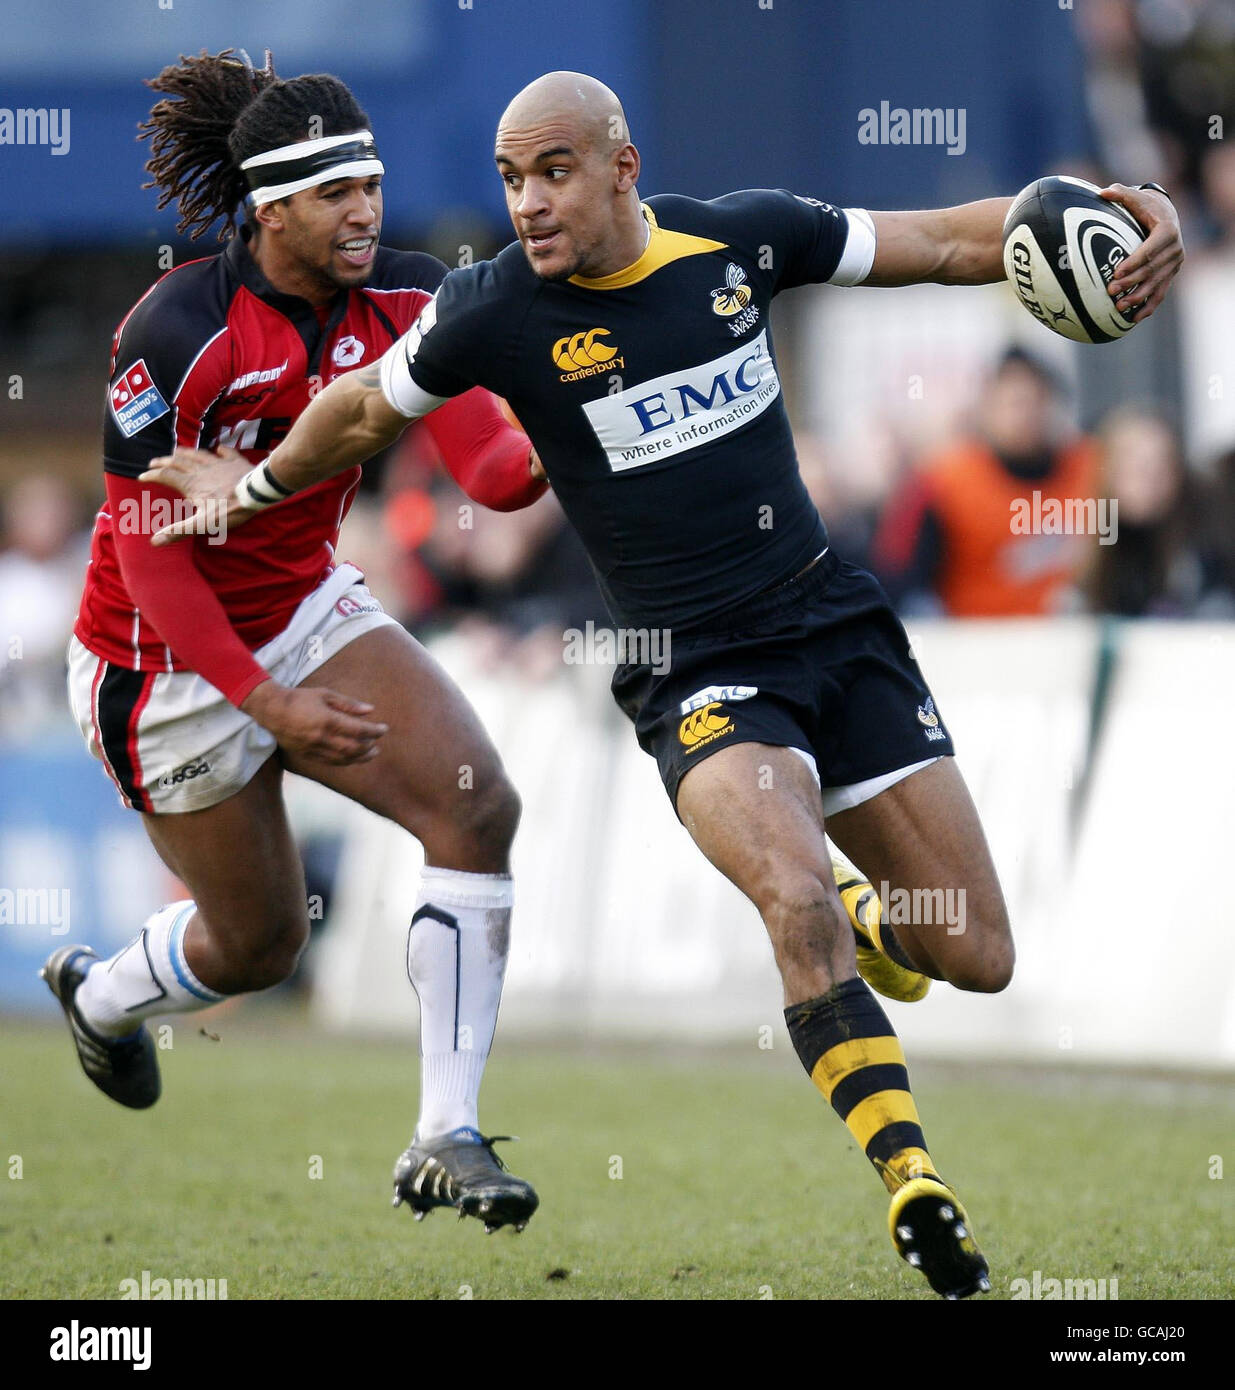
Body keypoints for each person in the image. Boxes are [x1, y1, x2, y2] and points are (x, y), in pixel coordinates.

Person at [147, 71, 1185, 1296]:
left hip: (832, 626)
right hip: (691, 668)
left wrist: (1124, 211)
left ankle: (873, 927)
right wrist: (257, 487)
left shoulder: (738, 239)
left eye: (553, 172)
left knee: (975, 952)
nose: (528, 204)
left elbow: (956, 241)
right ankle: (914, 1183)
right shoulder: (492, 309)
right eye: (510, 179)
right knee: (794, 893)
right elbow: (362, 409)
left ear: (622, 168)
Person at [41, 50, 545, 1234]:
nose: (366, 210)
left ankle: (445, 1133)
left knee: (476, 806)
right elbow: (153, 556)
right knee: (259, 945)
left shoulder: (414, 298)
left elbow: (491, 469)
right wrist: (263, 704)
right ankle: (103, 998)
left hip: (305, 608)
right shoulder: (175, 330)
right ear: (270, 210)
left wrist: (576, 424)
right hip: (159, 664)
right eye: (335, 193)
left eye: (370, 184)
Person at [872, 347, 1100, 616]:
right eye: (1014, 404)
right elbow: (899, 572)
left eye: (1036, 401)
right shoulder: (944, 481)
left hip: (1073, 631)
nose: (1026, 416)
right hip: (976, 634)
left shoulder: (1091, 467)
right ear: (987, 408)